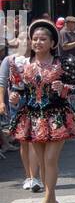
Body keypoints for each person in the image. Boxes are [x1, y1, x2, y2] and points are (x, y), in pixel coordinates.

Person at [6, 18, 75, 203]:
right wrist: (14, 96)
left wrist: (64, 88)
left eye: (43, 39)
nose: (38, 42)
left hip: (57, 115)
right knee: (41, 162)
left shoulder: (64, 63)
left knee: (50, 159)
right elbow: (17, 88)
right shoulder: (21, 65)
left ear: (52, 43)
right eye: (35, 39)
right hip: (32, 116)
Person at [0, 33, 43, 192]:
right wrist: (2, 101)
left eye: (28, 40)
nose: (25, 43)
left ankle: (36, 177)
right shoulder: (9, 60)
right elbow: (2, 82)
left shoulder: (37, 58)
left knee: (34, 140)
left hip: (36, 100)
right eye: (22, 40)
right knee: (24, 140)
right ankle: (29, 176)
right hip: (16, 102)